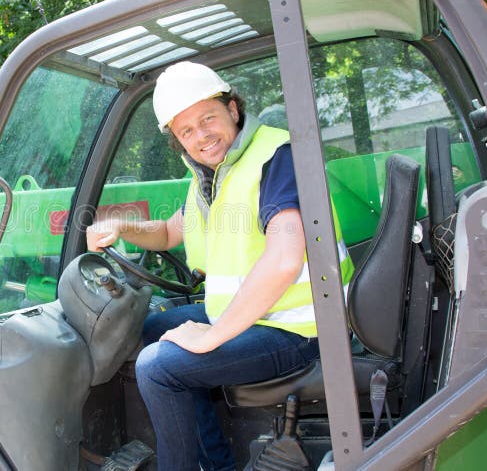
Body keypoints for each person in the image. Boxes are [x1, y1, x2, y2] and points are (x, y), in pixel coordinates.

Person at [86, 61, 353, 471]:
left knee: (158, 368)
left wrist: (212, 336)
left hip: (304, 328)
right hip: (265, 316)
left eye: (207, 118)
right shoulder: (215, 173)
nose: (201, 136)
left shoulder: (275, 157)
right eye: (186, 131)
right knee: (154, 327)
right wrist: (120, 225)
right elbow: (168, 233)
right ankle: (217, 464)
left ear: (232, 108)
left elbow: (284, 258)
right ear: (177, 140)